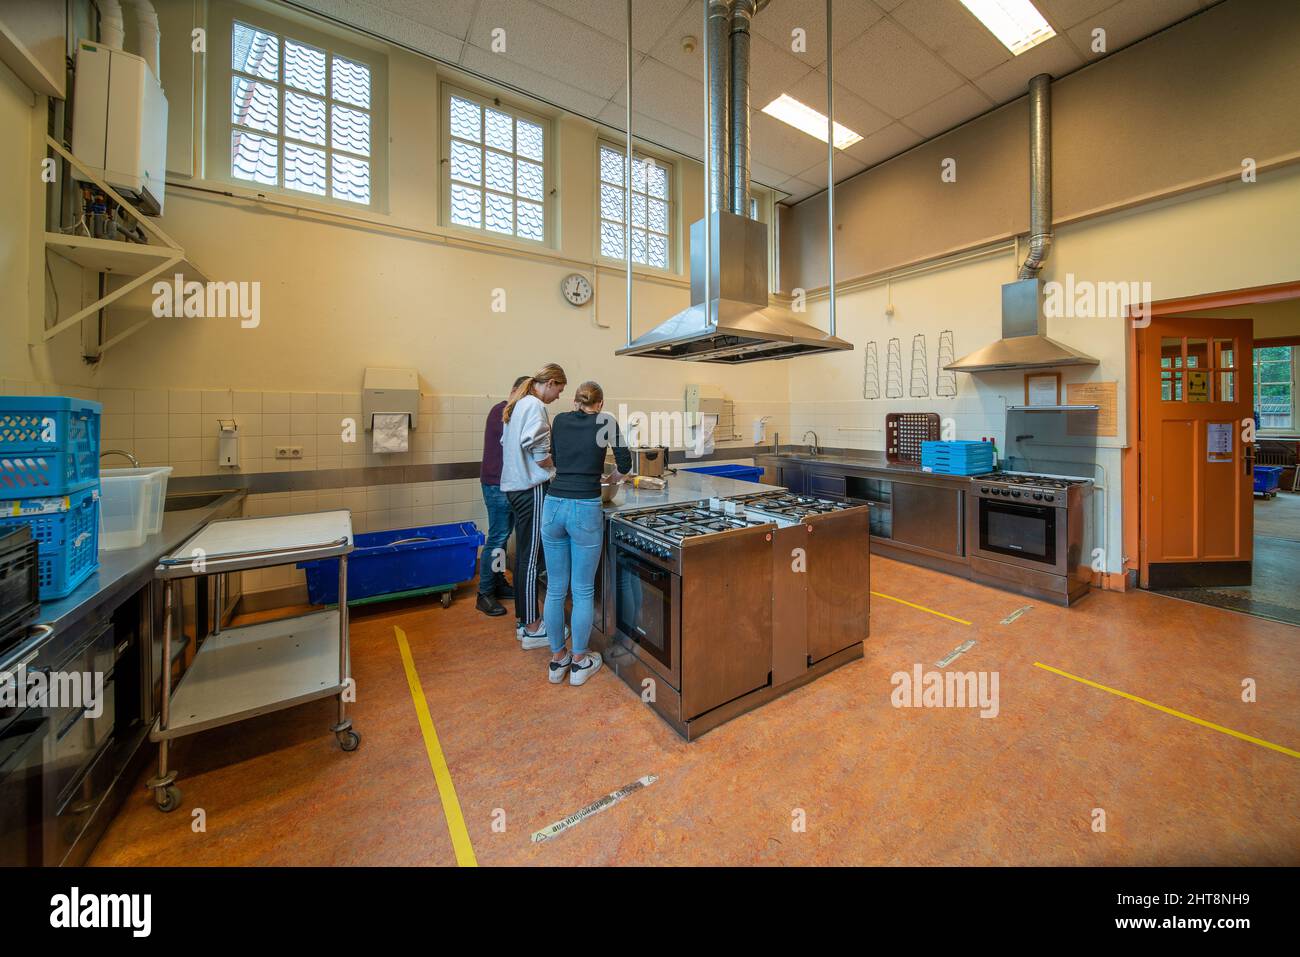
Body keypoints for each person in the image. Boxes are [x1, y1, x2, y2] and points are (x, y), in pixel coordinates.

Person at [541, 380, 631, 686]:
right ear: (601, 404)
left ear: (576, 400)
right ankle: (579, 662)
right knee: (581, 590)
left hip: (553, 505)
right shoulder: (606, 422)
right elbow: (626, 463)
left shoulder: (560, 420)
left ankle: (557, 660)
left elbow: (553, 457)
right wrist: (611, 477)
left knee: (556, 589)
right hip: (584, 508)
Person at [499, 363, 567, 648]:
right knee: (530, 558)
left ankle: (523, 622)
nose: (559, 397)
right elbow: (539, 452)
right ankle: (533, 626)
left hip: (514, 487)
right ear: (550, 383)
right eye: (559, 391)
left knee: (525, 555)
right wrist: (555, 468)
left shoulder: (517, 405)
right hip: (531, 488)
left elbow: (508, 441)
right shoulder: (535, 406)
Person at [476, 375, 529, 617]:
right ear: (515, 390)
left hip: (501, 484)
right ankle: (484, 593)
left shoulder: (502, 411)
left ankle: (496, 583)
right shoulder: (504, 413)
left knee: (502, 537)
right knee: (497, 538)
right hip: (498, 485)